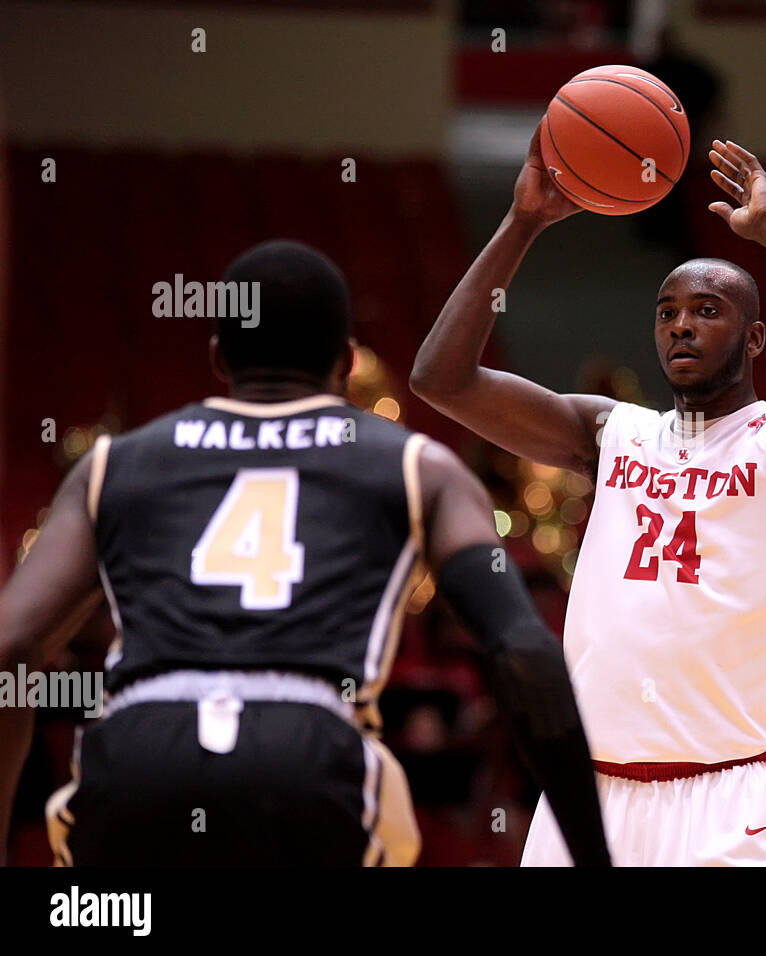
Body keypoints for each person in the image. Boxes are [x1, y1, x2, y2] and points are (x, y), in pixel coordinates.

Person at [0, 240, 609, 867]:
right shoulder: (417, 467)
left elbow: (9, 647)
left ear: (219, 358)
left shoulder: (111, 466)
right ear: (345, 362)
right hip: (308, 754)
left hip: (135, 757)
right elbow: (522, 650)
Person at [411, 133, 766, 865]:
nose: (681, 323)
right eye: (667, 310)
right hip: (590, 794)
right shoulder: (612, 432)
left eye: (708, 310)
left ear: (754, 338)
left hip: (729, 800)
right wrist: (522, 222)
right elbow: (441, 379)